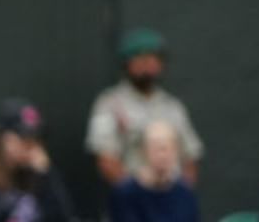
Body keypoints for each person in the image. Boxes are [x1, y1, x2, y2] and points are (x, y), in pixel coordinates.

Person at [86, 28, 204, 188]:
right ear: (127, 63)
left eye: (153, 59)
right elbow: (105, 158)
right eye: (140, 59)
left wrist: (181, 194)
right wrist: (135, 193)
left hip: (171, 195)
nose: (147, 65)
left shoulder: (173, 106)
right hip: (133, 198)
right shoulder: (109, 103)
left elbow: (191, 156)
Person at [105, 119, 215, 222]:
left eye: (168, 148)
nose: (163, 154)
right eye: (157, 147)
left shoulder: (185, 193)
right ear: (143, 151)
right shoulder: (125, 193)